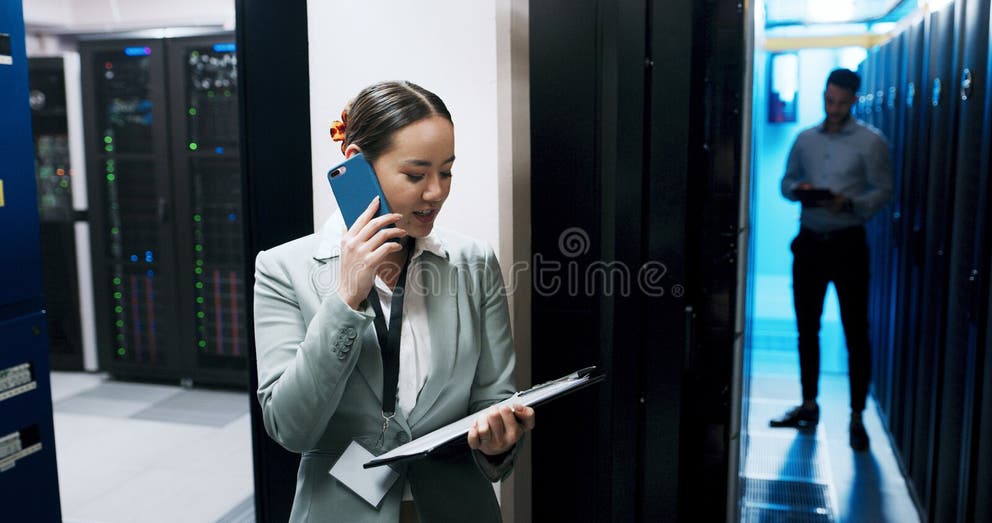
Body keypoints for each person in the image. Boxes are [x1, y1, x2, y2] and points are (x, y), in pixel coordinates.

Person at [253, 81, 535, 522]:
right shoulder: (281, 269)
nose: (436, 192)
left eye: (447, 172)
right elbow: (290, 426)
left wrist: (499, 441)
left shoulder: (474, 261)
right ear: (356, 165)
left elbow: (493, 398)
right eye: (416, 174)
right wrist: (346, 297)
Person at [770, 69, 893, 452]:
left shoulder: (871, 143)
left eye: (840, 101)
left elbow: (884, 189)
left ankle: (857, 417)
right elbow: (785, 183)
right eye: (828, 100)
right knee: (807, 329)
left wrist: (851, 203)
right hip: (809, 243)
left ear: (854, 100)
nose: (833, 107)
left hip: (848, 244)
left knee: (857, 333)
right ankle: (809, 405)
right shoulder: (804, 139)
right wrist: (798, 190)